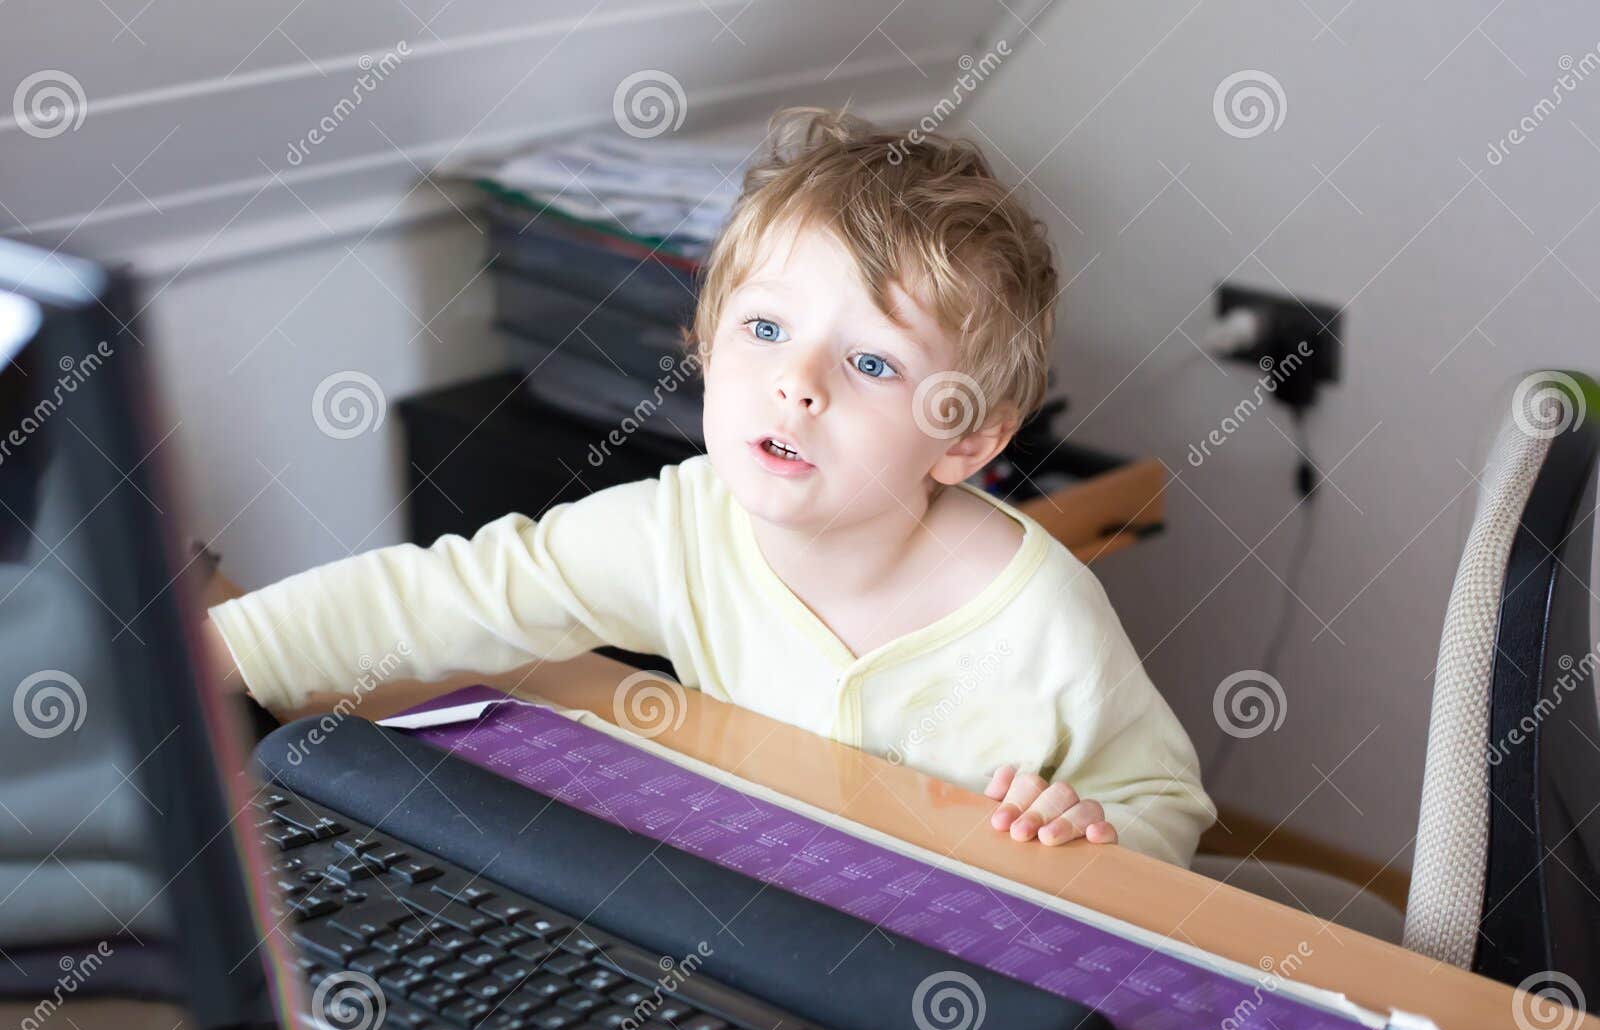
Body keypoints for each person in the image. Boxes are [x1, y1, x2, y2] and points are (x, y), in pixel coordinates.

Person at [205, 107, 1214, 867]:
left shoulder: (1039, 612)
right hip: (768, 910)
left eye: (870, 364)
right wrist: (220, 648)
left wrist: (1099, 827)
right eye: (765, 329)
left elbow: (1161, 798)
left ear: (965, 438)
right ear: (704, 343)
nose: (796, 383)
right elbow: (455, 593)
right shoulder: (679, 526)